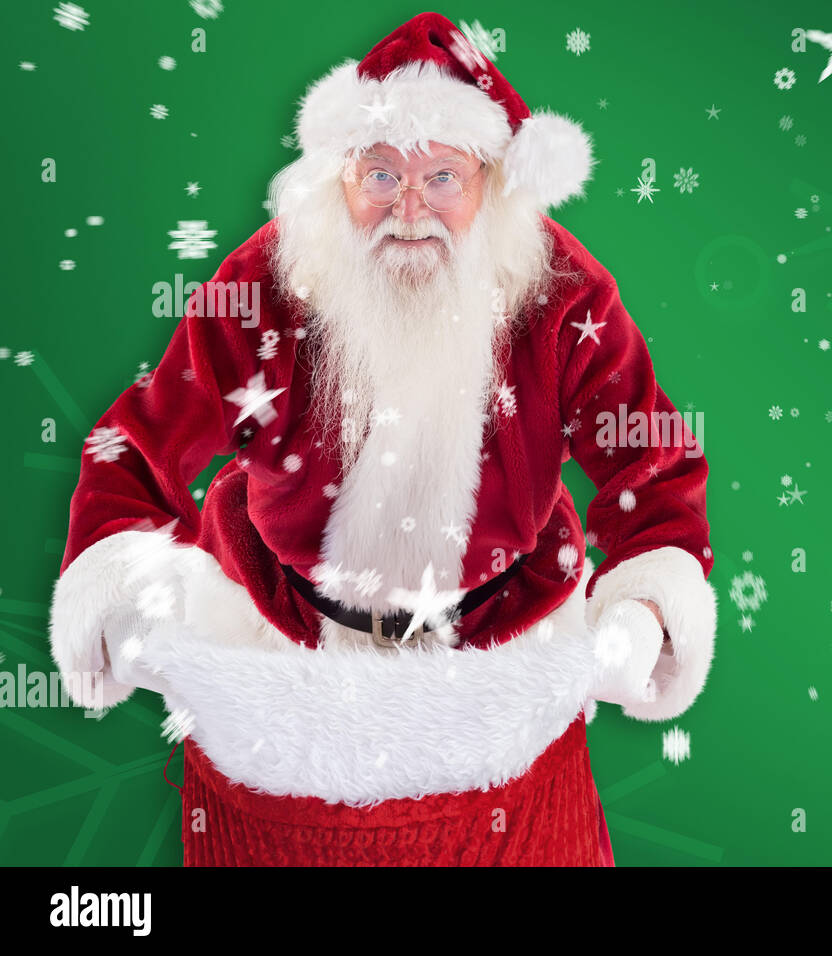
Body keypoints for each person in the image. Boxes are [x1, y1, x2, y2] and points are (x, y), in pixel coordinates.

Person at [46, 11, 716, 867]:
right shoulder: (264, 281)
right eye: (380, 175)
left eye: (443, 176)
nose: (408, 212)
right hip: (283, 659)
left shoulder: (563, 296)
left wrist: (647, 608)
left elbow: (654, 461)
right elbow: (134, 442)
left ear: (491, 185)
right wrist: (111, 577)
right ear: (339, 180)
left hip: (502, 660)